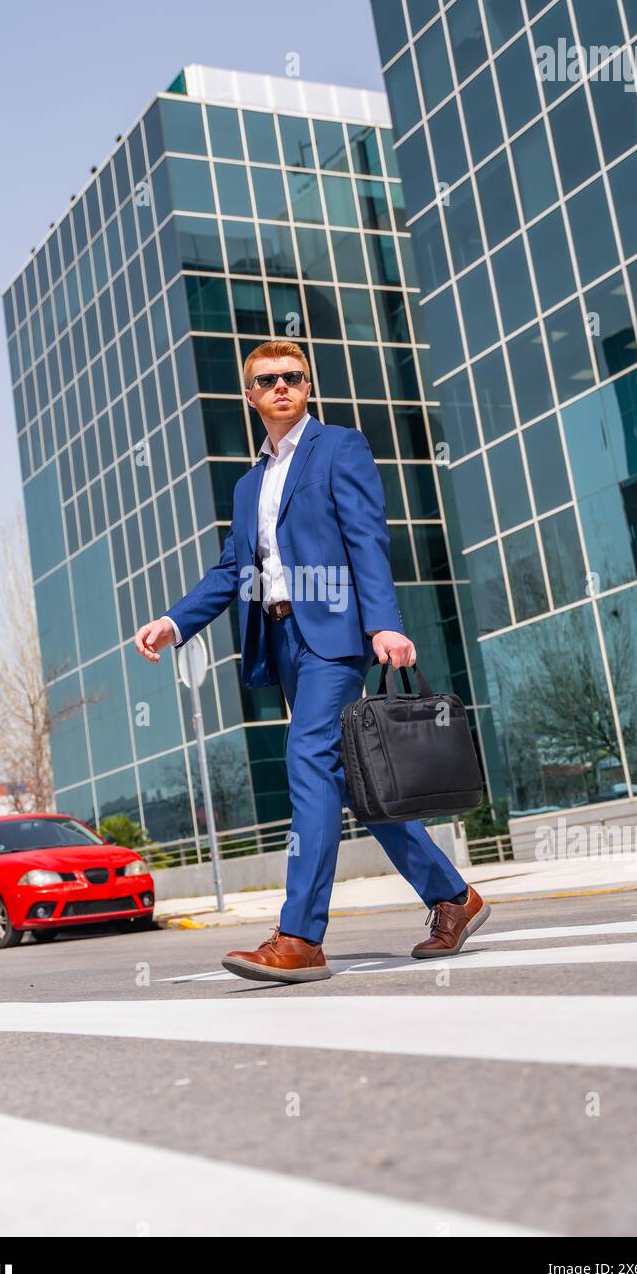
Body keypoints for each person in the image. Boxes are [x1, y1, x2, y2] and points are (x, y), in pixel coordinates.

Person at [134, 340, 490, 982]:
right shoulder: (249, 484)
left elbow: (366, 537)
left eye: (292, 377)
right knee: (353, 780)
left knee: (306, 759)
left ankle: (300, 936)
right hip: (283, 641)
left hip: (333, 637)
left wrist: (384, 621)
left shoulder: (339, 448)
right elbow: (232, 569)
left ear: (307, 386)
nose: (280, 387)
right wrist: (174, 620)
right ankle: (452, 897)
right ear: (249, 395)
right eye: (266, 379)